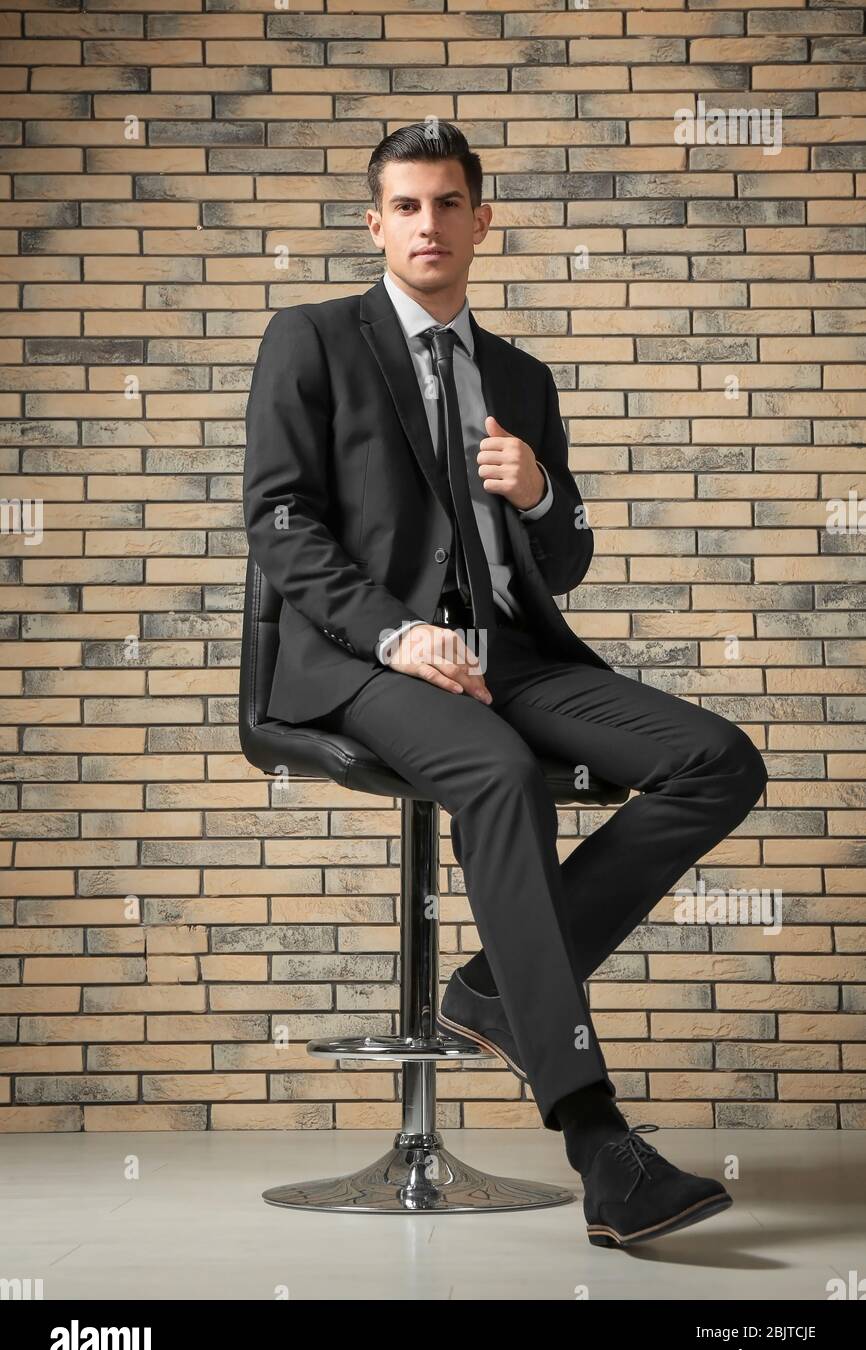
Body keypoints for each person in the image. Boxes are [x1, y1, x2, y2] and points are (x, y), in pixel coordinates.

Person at [242, 120, 768, 1248]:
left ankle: (491, 988)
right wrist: (393, 636)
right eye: (405, 206)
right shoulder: (313, 340)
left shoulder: (519, 376)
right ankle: (598, 1144)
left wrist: (536, 491)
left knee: (716, 759)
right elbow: (279, 524)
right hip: (361, 660)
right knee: (494, 773)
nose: (427, 224)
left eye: (447, 203)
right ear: (373, 222)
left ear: (482, 220)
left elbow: (563, 559)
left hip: (511, 655)